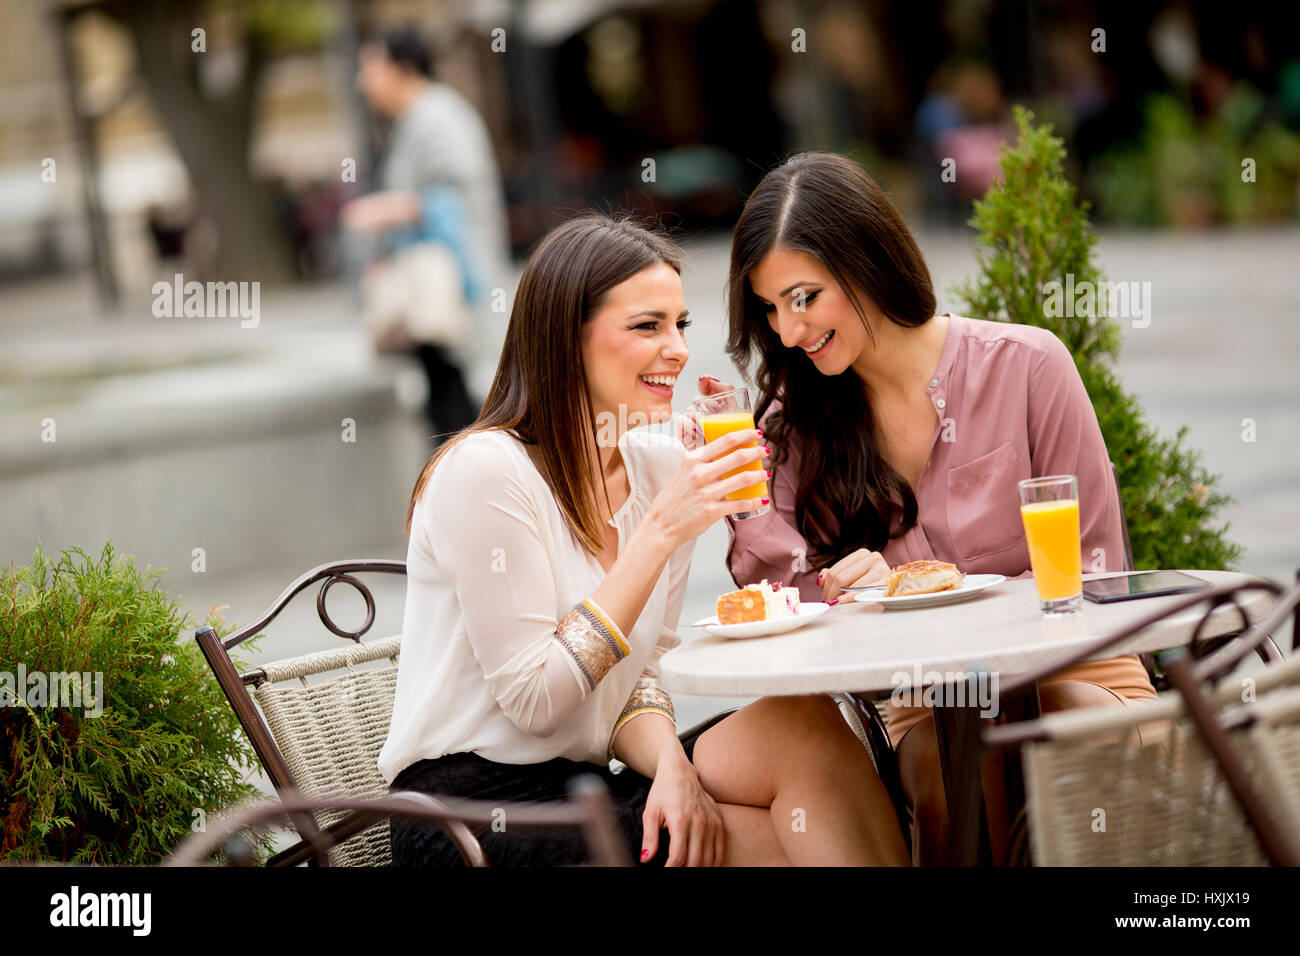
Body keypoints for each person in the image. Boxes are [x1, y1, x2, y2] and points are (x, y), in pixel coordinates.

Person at [378, 213, 910, 867]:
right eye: (647, 326)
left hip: (589, 784)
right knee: (778, 840)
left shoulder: (660, 469)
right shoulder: (486, 470)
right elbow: (536, 699)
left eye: (680, 324)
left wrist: (672, 768)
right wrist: (660, 532)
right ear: (565, 338)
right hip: (474, 816)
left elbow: (637, 676)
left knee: (803, 725)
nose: (680, 349)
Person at [717, 152, 1158, 864]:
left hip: (1075, 679)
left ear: (865, 259)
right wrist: (741, 502)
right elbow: (786, 611)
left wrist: (919, 592)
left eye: (804, 297)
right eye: (770, 309)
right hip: (926, 709)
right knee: (938, 760)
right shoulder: (795, 425)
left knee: (1051, 731)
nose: (789, 331)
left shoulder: (1027, 367)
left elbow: (1097, 571)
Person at [343, 26, 509, 444]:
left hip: (453, 290)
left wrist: (387, 211)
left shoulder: (438, 117)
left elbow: (457, 196)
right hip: (435, 296)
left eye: (371, 67)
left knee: (460, 415)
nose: (363, 82)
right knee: (449, 405)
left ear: (402, 67)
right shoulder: (418, 120)